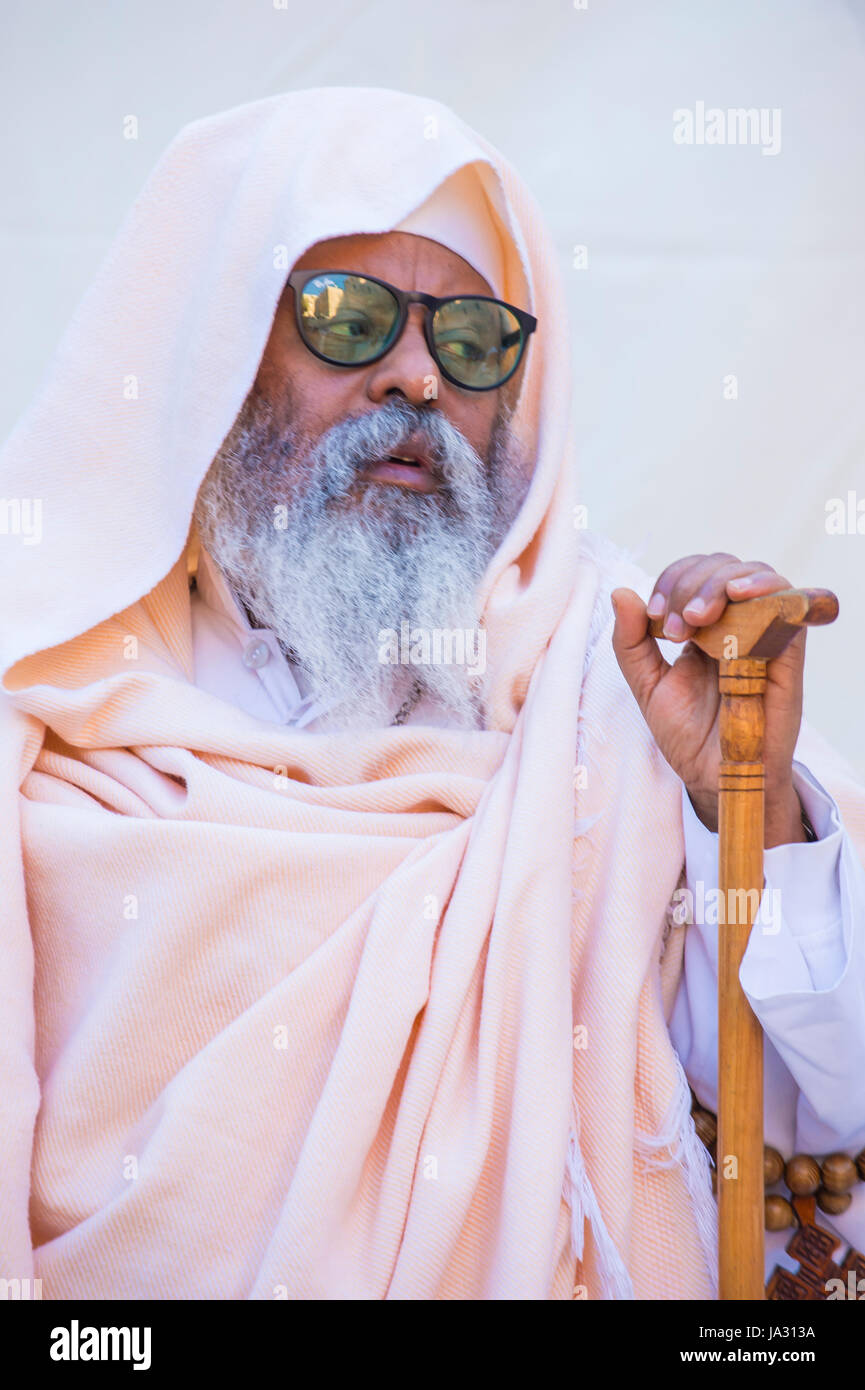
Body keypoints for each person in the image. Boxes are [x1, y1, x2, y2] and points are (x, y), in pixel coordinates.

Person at [1, 87, 863, 1301]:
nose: (414, 377)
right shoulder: (43, 710)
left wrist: (752, 803)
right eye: (345, 318)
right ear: (224, 358)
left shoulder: (621, 679)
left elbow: (835, 1096)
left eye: (466, 339)